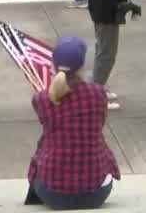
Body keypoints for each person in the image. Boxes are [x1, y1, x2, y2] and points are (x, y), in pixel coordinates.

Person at [25, 36, 121, 210]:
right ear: (82, 66)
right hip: (96, 194)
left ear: (53, 65)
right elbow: (97, 126)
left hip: (51, 194)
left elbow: (49, 128)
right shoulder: (98, 94)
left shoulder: (41, 99)